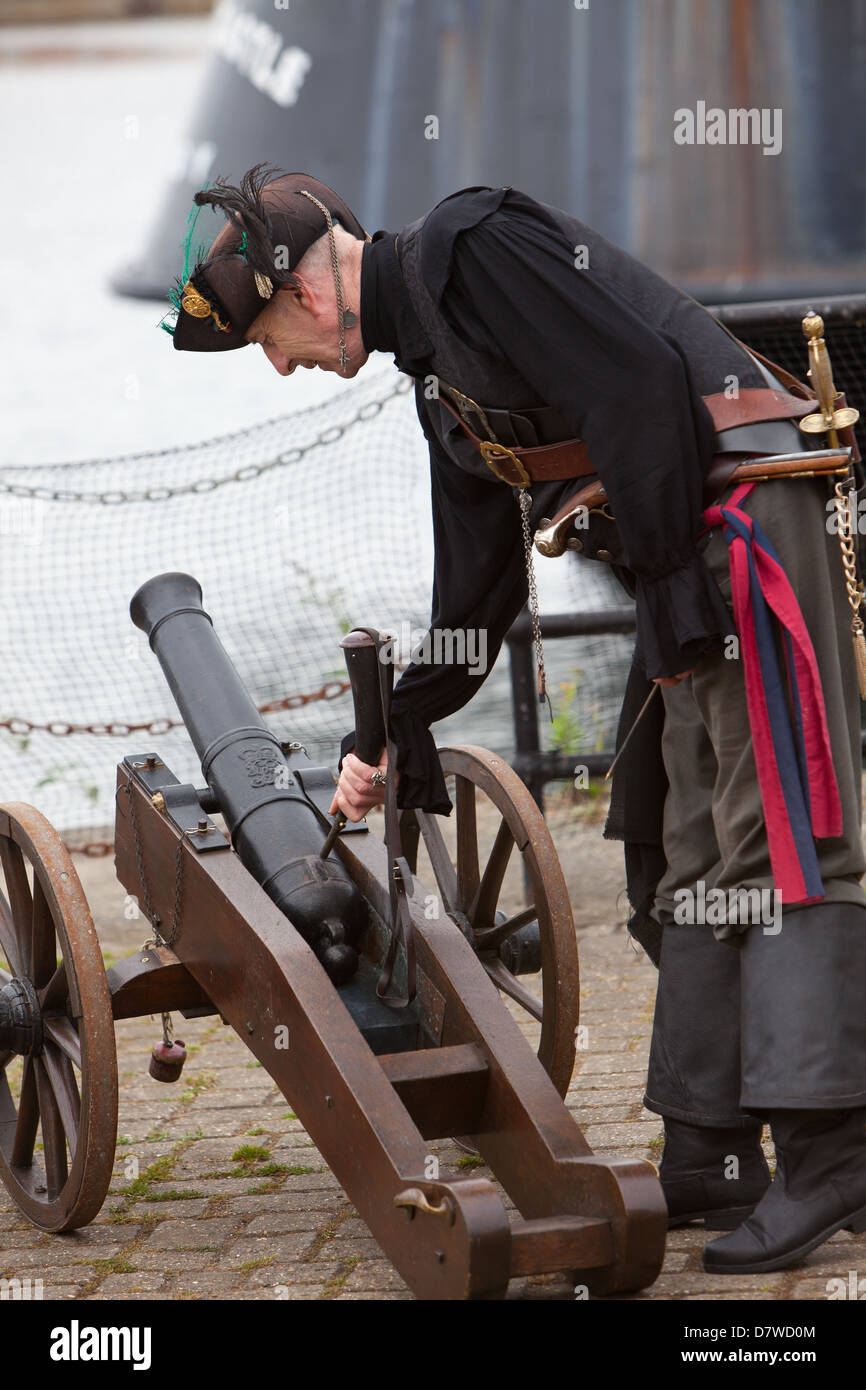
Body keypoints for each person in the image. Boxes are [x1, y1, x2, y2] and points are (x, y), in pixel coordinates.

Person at [167, 163, 866, 1274]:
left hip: (741, 529)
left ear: (302, 289)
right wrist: (389, 726)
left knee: (777, 833)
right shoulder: (435, 372)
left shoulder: (471, 245)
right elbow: (477, 591)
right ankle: (711, 1148)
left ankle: (830, 1153)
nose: (278, 363)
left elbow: (636, 385)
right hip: (683, 562)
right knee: (691, 849)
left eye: (265, 337)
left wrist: (675, 597)